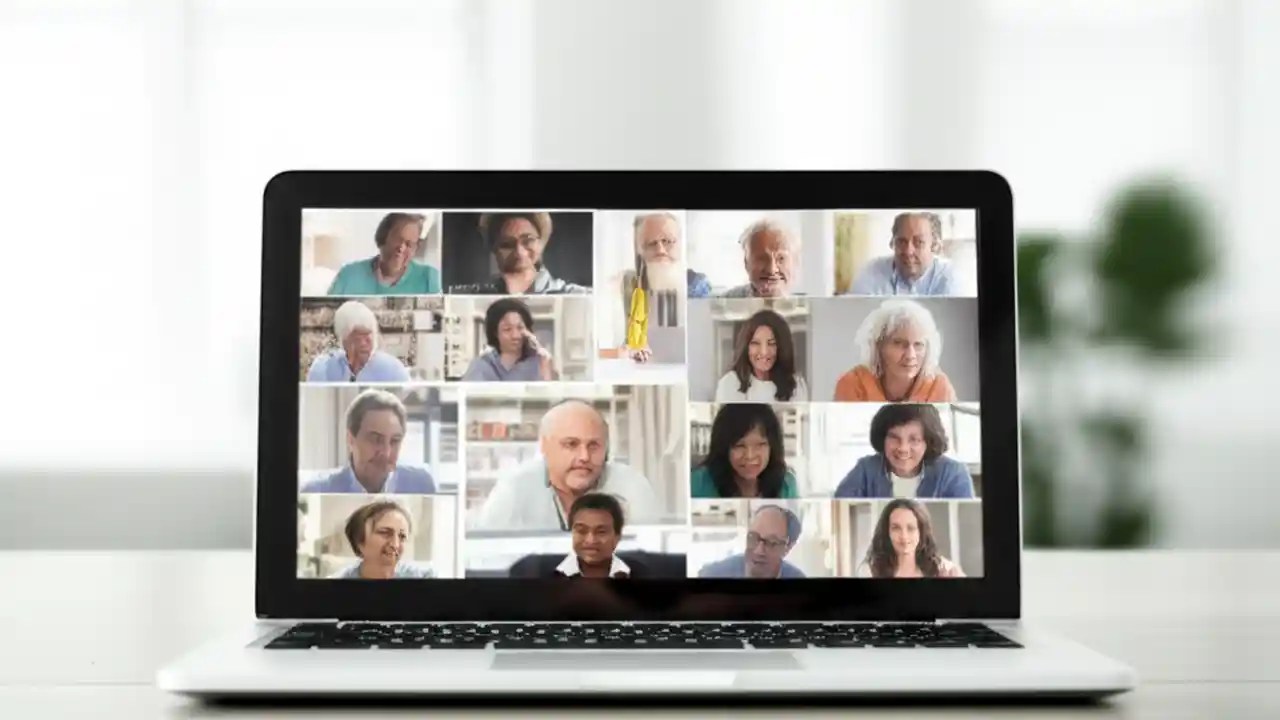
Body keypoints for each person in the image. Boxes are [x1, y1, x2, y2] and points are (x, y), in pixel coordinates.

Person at [475, 400, 661, 530]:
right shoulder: (515, 488)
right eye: (571, 444)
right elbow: (484, 559)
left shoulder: (632, 486)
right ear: (545, 447)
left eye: (594, 445)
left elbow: (651, 557)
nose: (584, 456)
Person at [301, 390, 436, 494]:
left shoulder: (422, 483)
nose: (386, 453)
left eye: (394, 441)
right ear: (350, 439)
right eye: (376, 439)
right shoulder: (318, 490)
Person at [614, 212, 706, 363]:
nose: (661, 250)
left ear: (679, 243)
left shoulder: (698, 284)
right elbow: (625, 342)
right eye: (651, 243)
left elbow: (704, 340)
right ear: (639, 249)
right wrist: (632, 349)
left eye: (668, 241)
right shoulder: (628, 285)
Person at [833, 404, 974, 498]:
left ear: (928, 441)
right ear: (883, 438)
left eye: (914, 440)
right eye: (894, 437)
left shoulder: (953, 473)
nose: (903, 448)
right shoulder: (866, 469)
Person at [833, 299, 956, 402]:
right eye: (899, 343)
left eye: (918, 345)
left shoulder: (940, 386)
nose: (910, 356)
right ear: (878, 345)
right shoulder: (853, 384)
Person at [448, 212, 589, 294]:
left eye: (528, 241)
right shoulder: (470, 294)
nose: (519, 252)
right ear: (494, 249)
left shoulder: (577, 294)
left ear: (541, 243)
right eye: (506, 245)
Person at [508, 493, 633, 578]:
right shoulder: (538, 575)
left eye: (601, 532)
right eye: (581, 531)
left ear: (617, 536)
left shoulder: (641, 574)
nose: (590, 540)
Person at [691, 404, 798, 498]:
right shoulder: (698, 483)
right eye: (739, 446)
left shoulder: (786, 485)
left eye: (760, 445)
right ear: (723, 448)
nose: (750, 456)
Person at [326, 212, 442, 295]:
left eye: (409, 244)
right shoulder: (349, 275)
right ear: (383, 237)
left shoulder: (430, 278)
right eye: (397, 239)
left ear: (415, 248)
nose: (401, 248)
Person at [849, 212, 958, 296]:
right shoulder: (871, 271)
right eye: (901, 241)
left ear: (935, 246)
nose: (908, 251)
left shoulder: (951, 276)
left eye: (919, 242)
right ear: (892, 243)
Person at [305, 300, 411, 382]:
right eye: (357, 338)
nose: (363, 344)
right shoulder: (322, 368)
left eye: (368, 337)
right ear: (343, 340)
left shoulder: (393, 369)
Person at [714, 309, 809, 401]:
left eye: (771, 343)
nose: (764, 352)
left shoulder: (796, 386)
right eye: (756, 343)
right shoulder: (729, 384)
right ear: (746, 346)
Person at [856, 499, 965, 578]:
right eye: (896, 528)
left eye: (911, 528)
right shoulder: (870, 572)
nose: (904, 536)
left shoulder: (944, 570)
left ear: (921, 531)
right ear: (887, 532)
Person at [329, 500, 434, 579]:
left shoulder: (425, 577)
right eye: (385, 533)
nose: (395, 544)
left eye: (402, 536)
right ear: (359, 541)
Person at [461, 297, 557, 381]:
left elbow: (552, 397)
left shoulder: (538, 362)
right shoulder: (481, 365)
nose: (515, 335)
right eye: (507, 329)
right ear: (495, 333)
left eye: (520, 328)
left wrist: (545, 362)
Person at [698, 505, 806, 578]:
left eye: (772, 542)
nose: (759, 551)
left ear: (788, 548)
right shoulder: (714, 574)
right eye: (753, 537)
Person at [719, 218, 797, 298]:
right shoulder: (724, 303)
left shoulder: (805, 306)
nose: (772, 270)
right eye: (762, 259)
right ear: (746, 263)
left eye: (781, 258)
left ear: (794, 262)